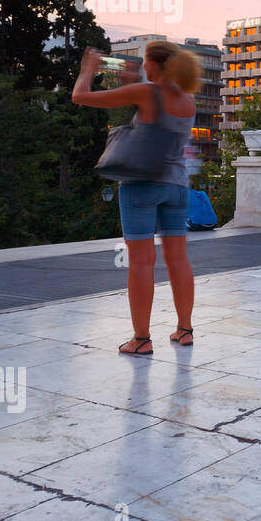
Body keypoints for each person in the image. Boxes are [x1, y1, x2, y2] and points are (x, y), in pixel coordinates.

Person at [73, 41, 198, 356]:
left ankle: (141, 339)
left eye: (145, 63)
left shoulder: (147, 93)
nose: (143, 68)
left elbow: (81, 96)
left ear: (155, 65)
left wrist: (88, 69)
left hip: (142, 184)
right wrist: (130, 82)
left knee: (141, 262)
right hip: (178, 186)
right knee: (178, 259)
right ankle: (185, 330)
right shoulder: (188, 100)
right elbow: (156, 121)